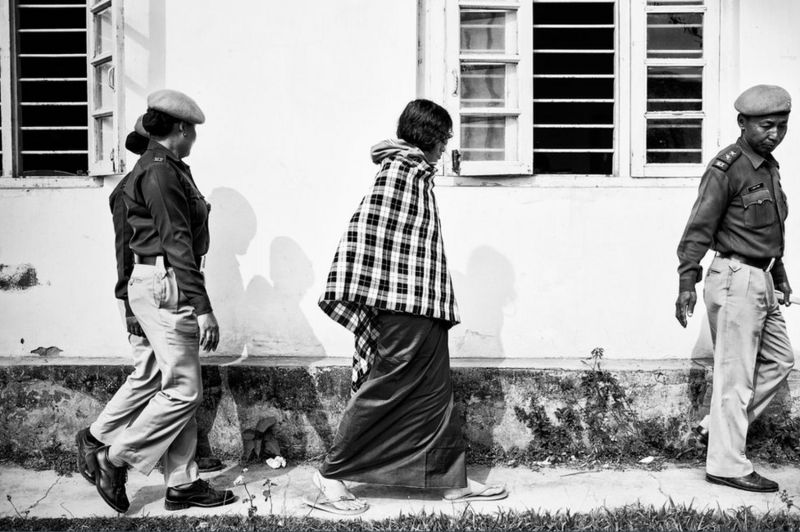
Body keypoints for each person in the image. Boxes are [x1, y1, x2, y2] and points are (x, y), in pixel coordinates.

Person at [308, 99, 507, 515]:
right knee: (385, 390)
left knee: (435, 396)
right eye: (445, 137)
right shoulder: (399, 172)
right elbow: (367, 233)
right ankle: (330, 475)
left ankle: (450, 482)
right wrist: (372, 293)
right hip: (401, 306)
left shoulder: (418, 174)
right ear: (430, 136)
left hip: (424, 304)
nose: (447, 146)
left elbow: (414, 246)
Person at [82, 89, 235, 513]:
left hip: (158, 279)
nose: (194, 140)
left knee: (173, 382)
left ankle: (183, 483)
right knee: (184, 390)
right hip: (166, 280)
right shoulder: (160, 173)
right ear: (182, 129)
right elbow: (177, 243)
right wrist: (202, 306)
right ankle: (112, 458)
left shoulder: (166, 169)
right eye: (194, 132)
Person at [675, 84, 794, 493]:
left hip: (760, 277)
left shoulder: (768, 166)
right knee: (734, 377)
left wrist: (779, 275)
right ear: (742, 123)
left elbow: (767, 230)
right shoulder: (727, 168)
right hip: (734, 278)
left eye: (782, 125)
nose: (774, 133)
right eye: (766, 125)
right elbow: (699, 227)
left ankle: (716, 428)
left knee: (780, 361)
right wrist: (686, 279)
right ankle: (726, 464)